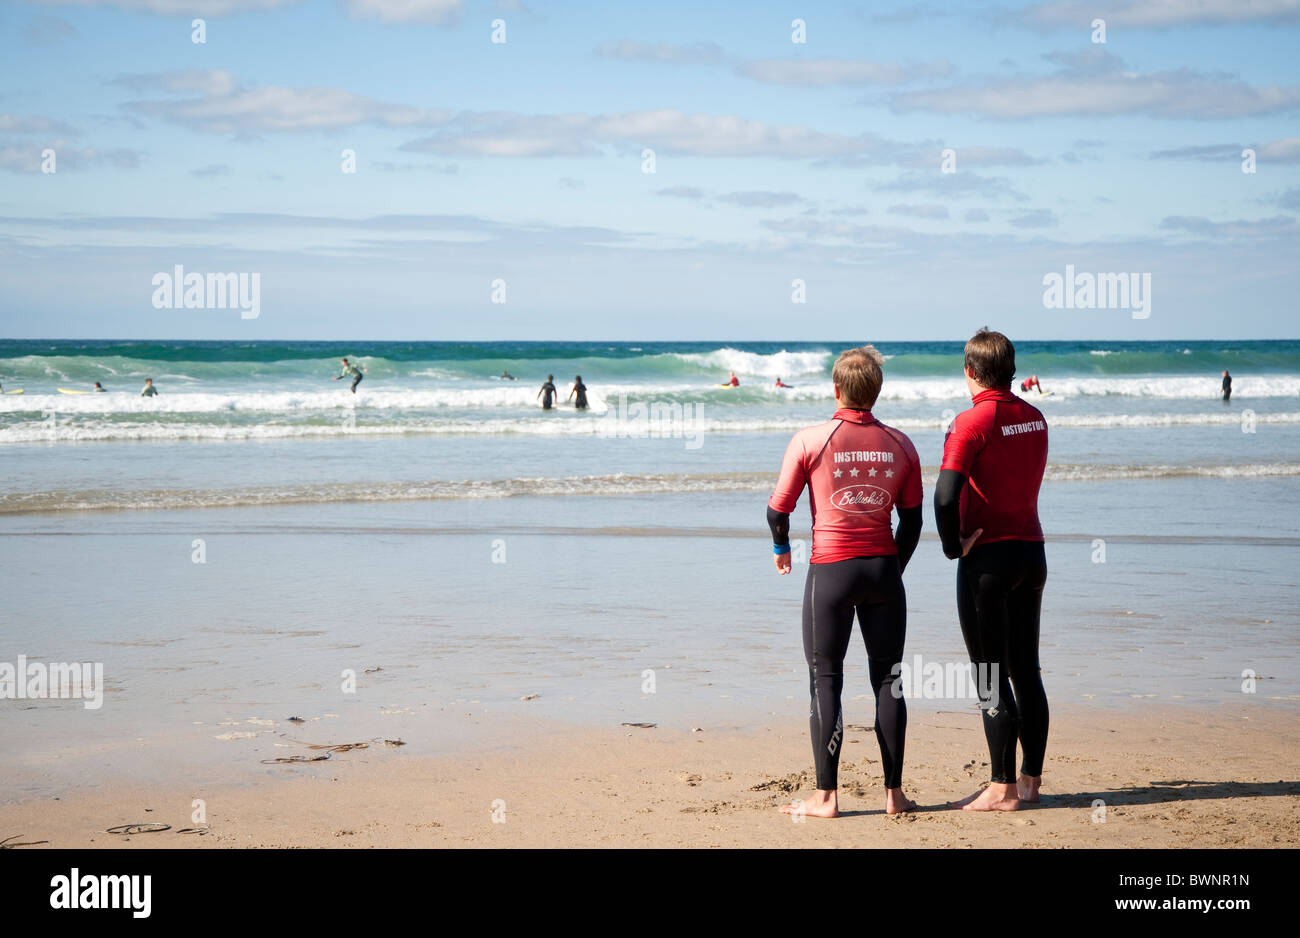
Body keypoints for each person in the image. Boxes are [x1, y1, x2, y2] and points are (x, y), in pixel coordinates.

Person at [768, 346, 923, 818]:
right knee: (889, 679)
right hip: (882, 571)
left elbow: (778, 511)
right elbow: (912, 522)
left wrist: (782, 548)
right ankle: (894, 794)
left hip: (830, 572)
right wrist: (892, 569)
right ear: (876, 390)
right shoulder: (901, 445)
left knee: (826, 678)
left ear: (836, 389)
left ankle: (826, 798)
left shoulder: (810, 439)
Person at [935, 328, 1049, 812]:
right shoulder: (1036, 418)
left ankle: (1001, 788)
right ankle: (1030, 782)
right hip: (1032, 554)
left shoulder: (970, 423)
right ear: (1011, 370)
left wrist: (951, 546)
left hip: (986, 562)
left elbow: (943, 495)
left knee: (989, 674)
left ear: (970, 372)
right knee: (1026, 669)